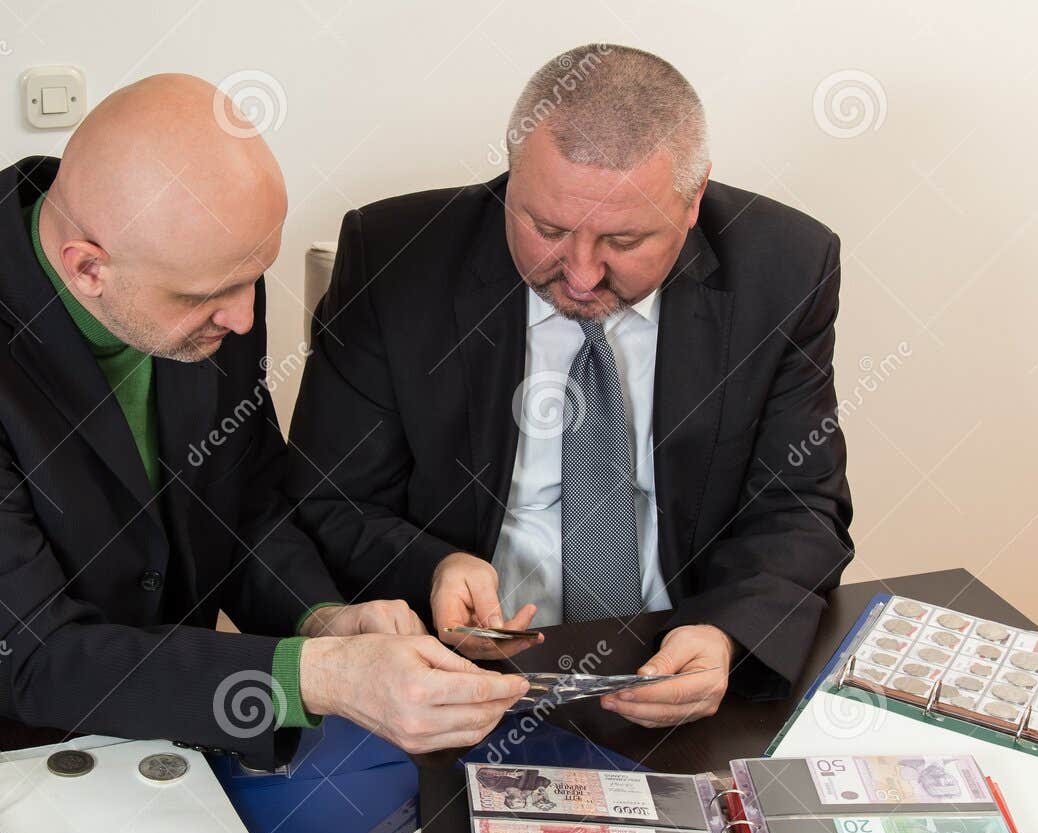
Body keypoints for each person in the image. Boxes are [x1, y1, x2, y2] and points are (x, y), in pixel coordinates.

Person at [0, 74, 526, 762]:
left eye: (253, 276)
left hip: (136, 730)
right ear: (86, 266)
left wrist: (321, 621)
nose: (244, 315)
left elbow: (246, 502)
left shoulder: (204, 275)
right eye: (208, 296)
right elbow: (26, 655)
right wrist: (317, 677)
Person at [290, 45, 853, 726]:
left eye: (624, 240)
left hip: (678, 665)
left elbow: (800, 505)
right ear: (511, 175)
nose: (581, 276)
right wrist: (433, 567)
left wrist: (726, 633)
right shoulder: (395, 257)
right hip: (455, 681)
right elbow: (331, 497)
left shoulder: (785, 268)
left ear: (694, 198)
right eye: (547, 229)